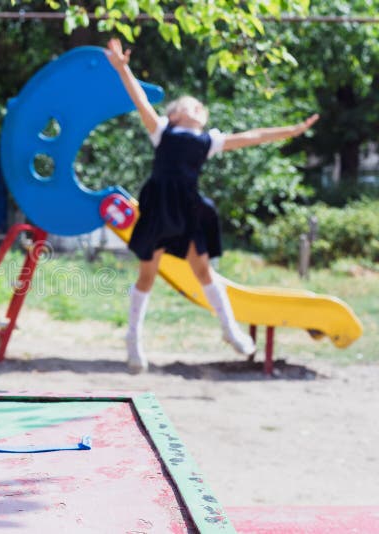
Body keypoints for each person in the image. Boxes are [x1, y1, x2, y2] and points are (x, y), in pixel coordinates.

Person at [105, 38, 319, 373]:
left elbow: (252, 136)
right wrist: (122, 67)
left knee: (203, 270)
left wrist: (290, 131)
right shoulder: (161, 131)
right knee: (147, 275)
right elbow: (140, 99)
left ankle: (229, 328)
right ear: (174, 115)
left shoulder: (209, 141)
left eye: (200, 109)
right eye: (190, 107)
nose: (197, 111)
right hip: (160, 206)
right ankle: (133, 340)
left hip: (188, 208)